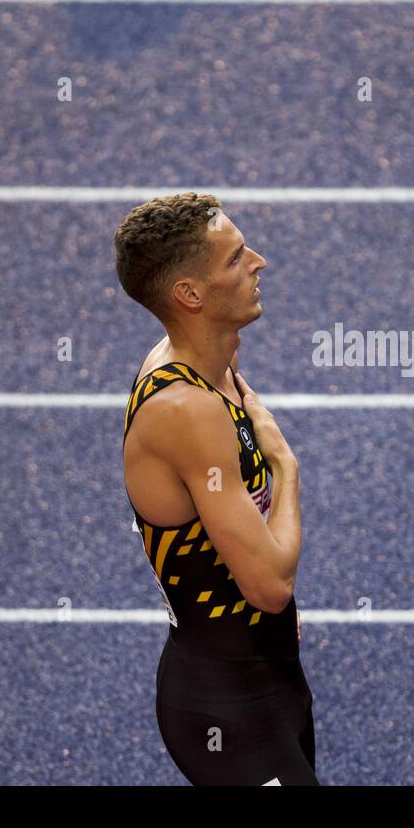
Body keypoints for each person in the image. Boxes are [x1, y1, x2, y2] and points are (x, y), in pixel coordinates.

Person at [114, 192, 316, 785]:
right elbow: (271, 587)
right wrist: (285, 468)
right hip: (229, 712)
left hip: (269, 676)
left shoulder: (212, 360)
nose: (258, 261)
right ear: (191, 295)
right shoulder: (186, 411)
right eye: (234, 258)